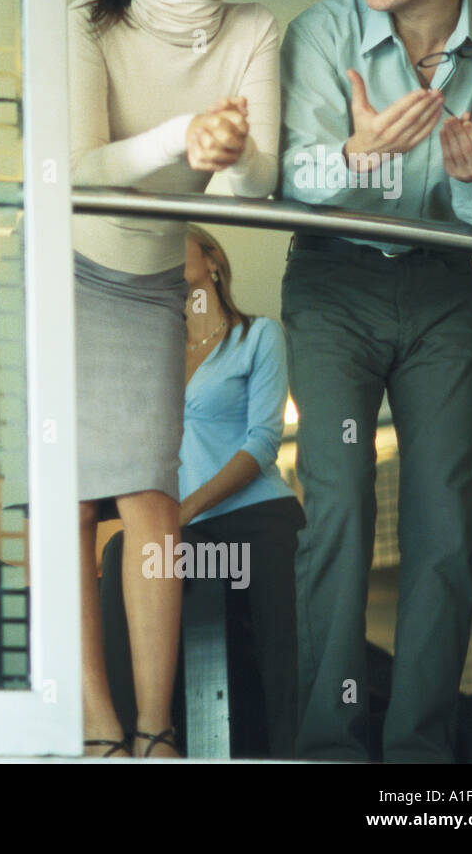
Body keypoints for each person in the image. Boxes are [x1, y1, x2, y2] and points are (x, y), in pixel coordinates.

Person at [279, 0, 472, 761]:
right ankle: (326, 746)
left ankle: (422, 759)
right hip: (332, 282)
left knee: (444, 526)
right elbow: (286, 179)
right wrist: (355, 158)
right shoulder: (321, 31)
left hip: (443, 289)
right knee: (340, 508)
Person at [68, 0, 279, 758]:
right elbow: (78, 169)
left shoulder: (255, 28)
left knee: (150, 494)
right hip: (67, 266)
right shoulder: (87, 23)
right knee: (71, 504)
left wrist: (227, 153)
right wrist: (179, 136)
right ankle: (98, 731)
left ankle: (158, 735)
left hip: (150, 277)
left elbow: (256, 187)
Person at [100, 226, 304, 758]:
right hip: (193, 539)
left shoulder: (259, 336)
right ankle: (139, 740)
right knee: (123, 550)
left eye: (176, 246)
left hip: (256, 521)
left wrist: (182, 511)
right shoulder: (157, 354)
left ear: (212, 261)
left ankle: (290, 752)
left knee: (277, 644)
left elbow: (261, 443)